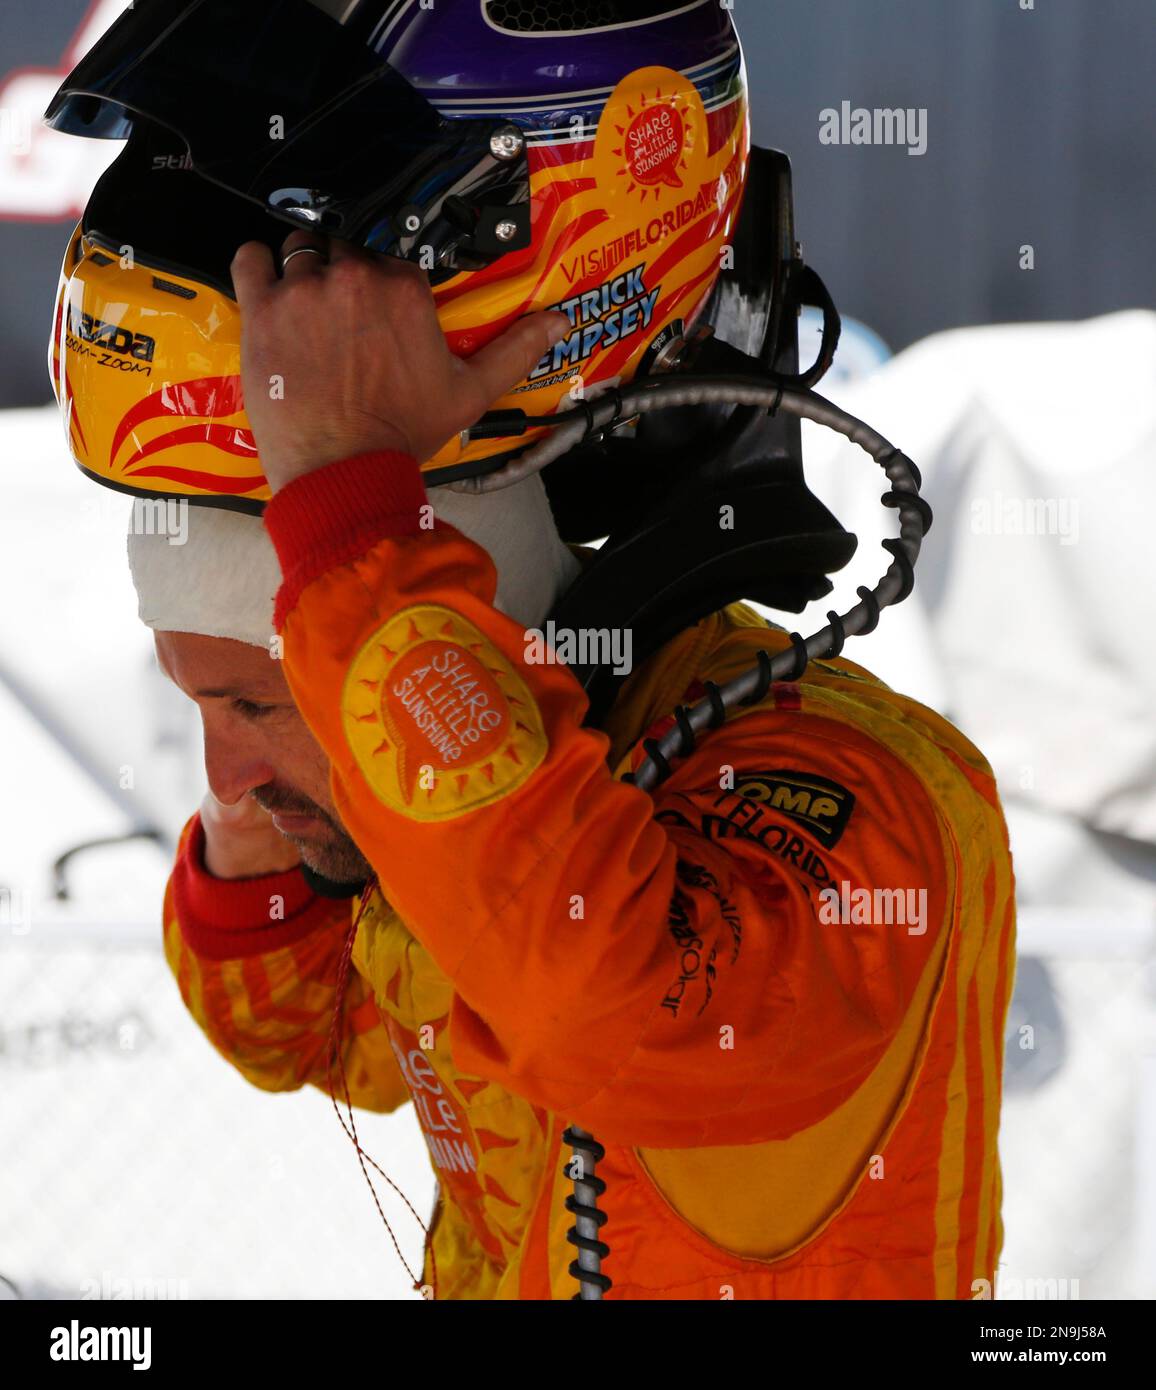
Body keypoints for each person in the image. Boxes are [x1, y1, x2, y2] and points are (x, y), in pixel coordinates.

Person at [117, 220, 1018, 1300]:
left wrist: (351, 521)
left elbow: (630, 1015)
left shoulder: (856, 780)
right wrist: (288, 770)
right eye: (202, 706)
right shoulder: (474, 811)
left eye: (257, 702)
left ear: (454, 623)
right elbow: (305, 1032)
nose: (220, 774)